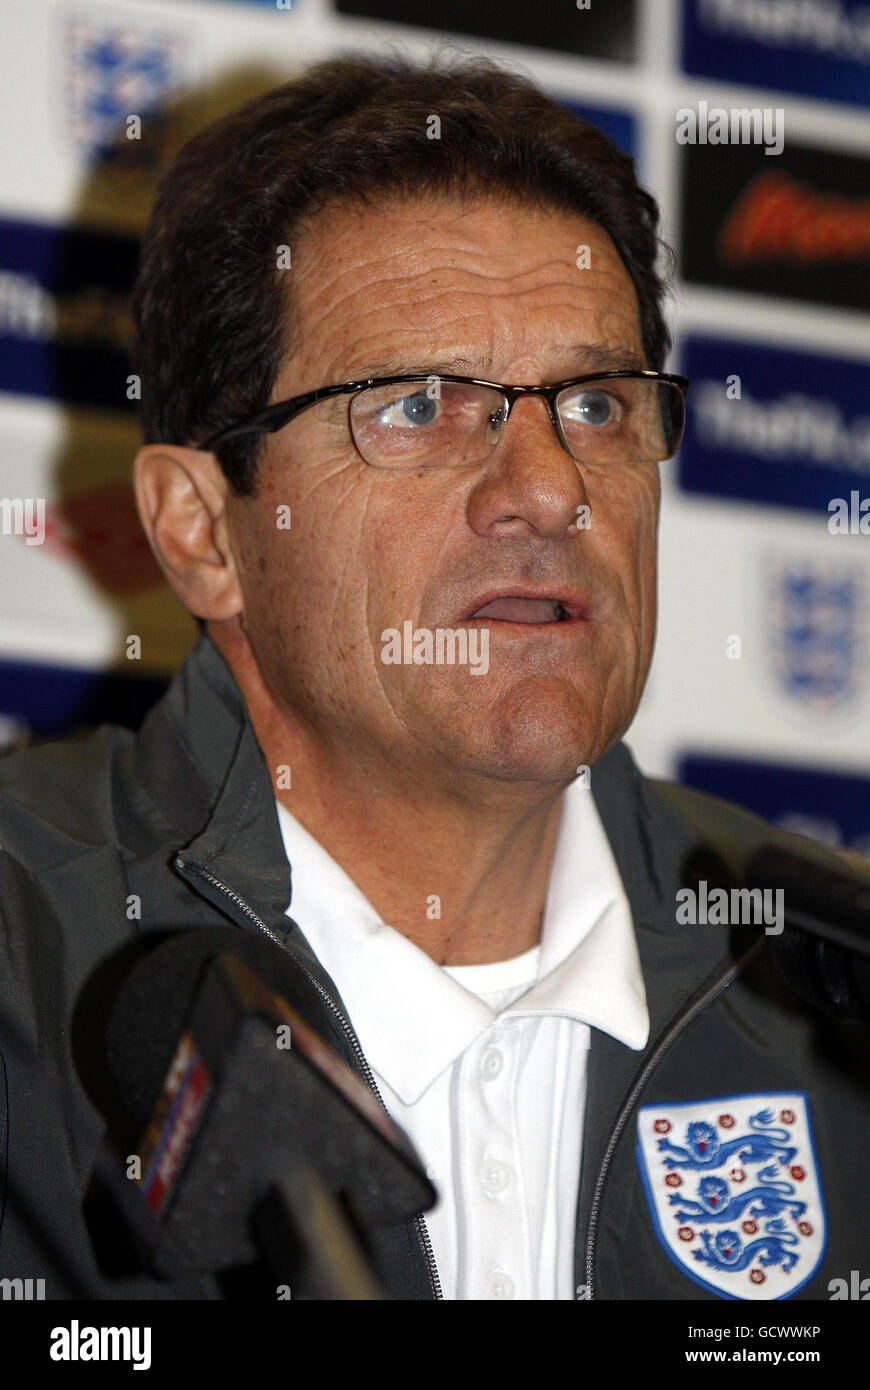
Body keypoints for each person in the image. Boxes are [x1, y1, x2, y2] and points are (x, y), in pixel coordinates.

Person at [0, 53, 867, 1302]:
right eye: (416, 405)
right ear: (202, 530)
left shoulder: (825, 995)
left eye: (601, 406)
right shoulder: (25, 959)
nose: (551, 487)